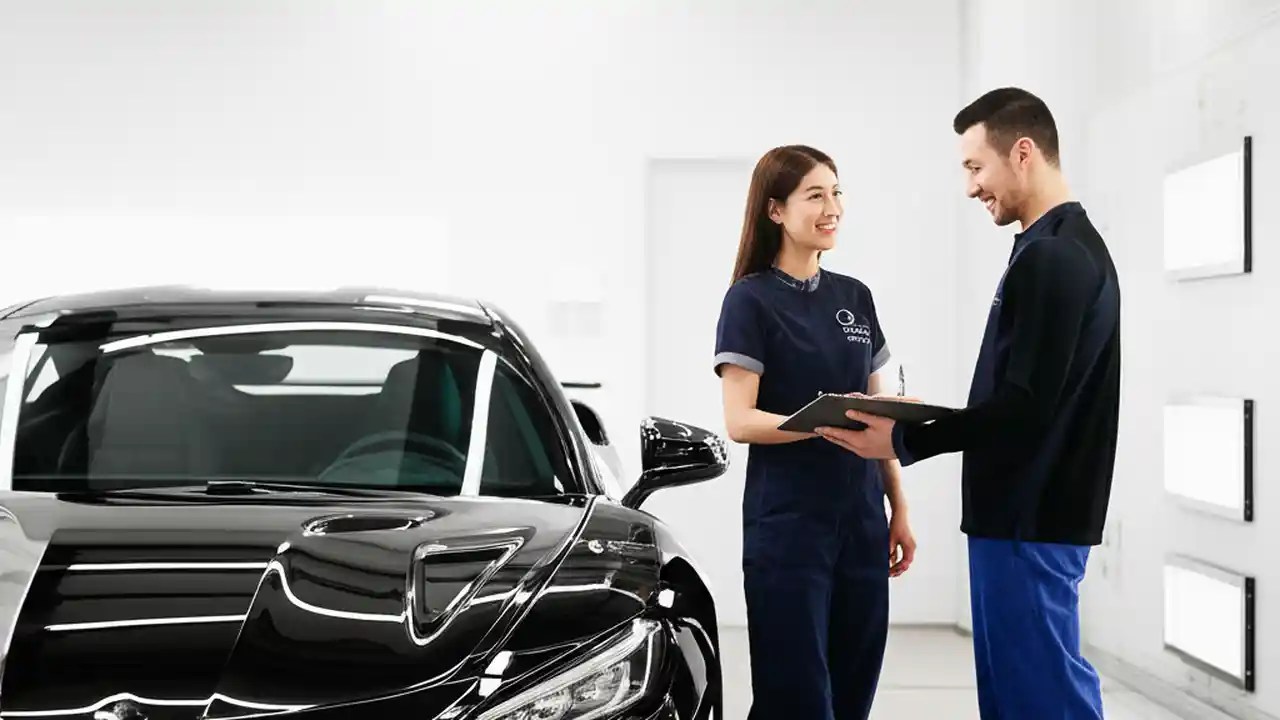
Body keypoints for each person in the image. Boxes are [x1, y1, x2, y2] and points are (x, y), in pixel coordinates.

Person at [816, 88, 1121, 719]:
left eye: (975, 167)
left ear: (1023, 152)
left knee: (1041, 700)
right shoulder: (1048, 247)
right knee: (1020, 698)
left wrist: (903, 439)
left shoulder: (1057, 256)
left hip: (1029, 521)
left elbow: (1026, 411)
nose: (970, 187)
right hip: (1023, 519)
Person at [714, 144, 916, 720]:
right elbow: (740, 420)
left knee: (853, 693)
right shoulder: (748, 301)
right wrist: (823, 422)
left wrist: (897, 507)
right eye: (815, 195)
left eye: (837, 192)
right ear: (775, 210)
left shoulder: (856, 298)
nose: (832, 207)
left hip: (860, 520)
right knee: (797, 698)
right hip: (788, 527)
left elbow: (880, 416)